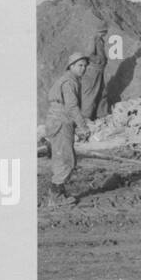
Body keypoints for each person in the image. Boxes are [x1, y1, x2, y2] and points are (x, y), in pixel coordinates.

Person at [43, 53, 90, 204]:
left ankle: (57, 194)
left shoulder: (68, 79)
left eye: (84, 65)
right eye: (80, 65)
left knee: (61, 158)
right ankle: (56, 197)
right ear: (71, 66)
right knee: (66, 159)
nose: (83, 68)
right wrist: (83, 127)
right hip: (61, 121)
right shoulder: (69, 82)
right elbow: (71, 107)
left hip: (58, 121)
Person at [78, 27, 109, 121]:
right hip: (93, 71)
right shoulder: (94, 39)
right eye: (104, 31)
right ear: (100, 31)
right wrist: (99, 60)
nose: (106, 33)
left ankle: (102, 114)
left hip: (99, 70)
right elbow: (89, 55)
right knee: (90, 94)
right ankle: (85, 117)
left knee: (102, 92)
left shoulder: (100, 39)